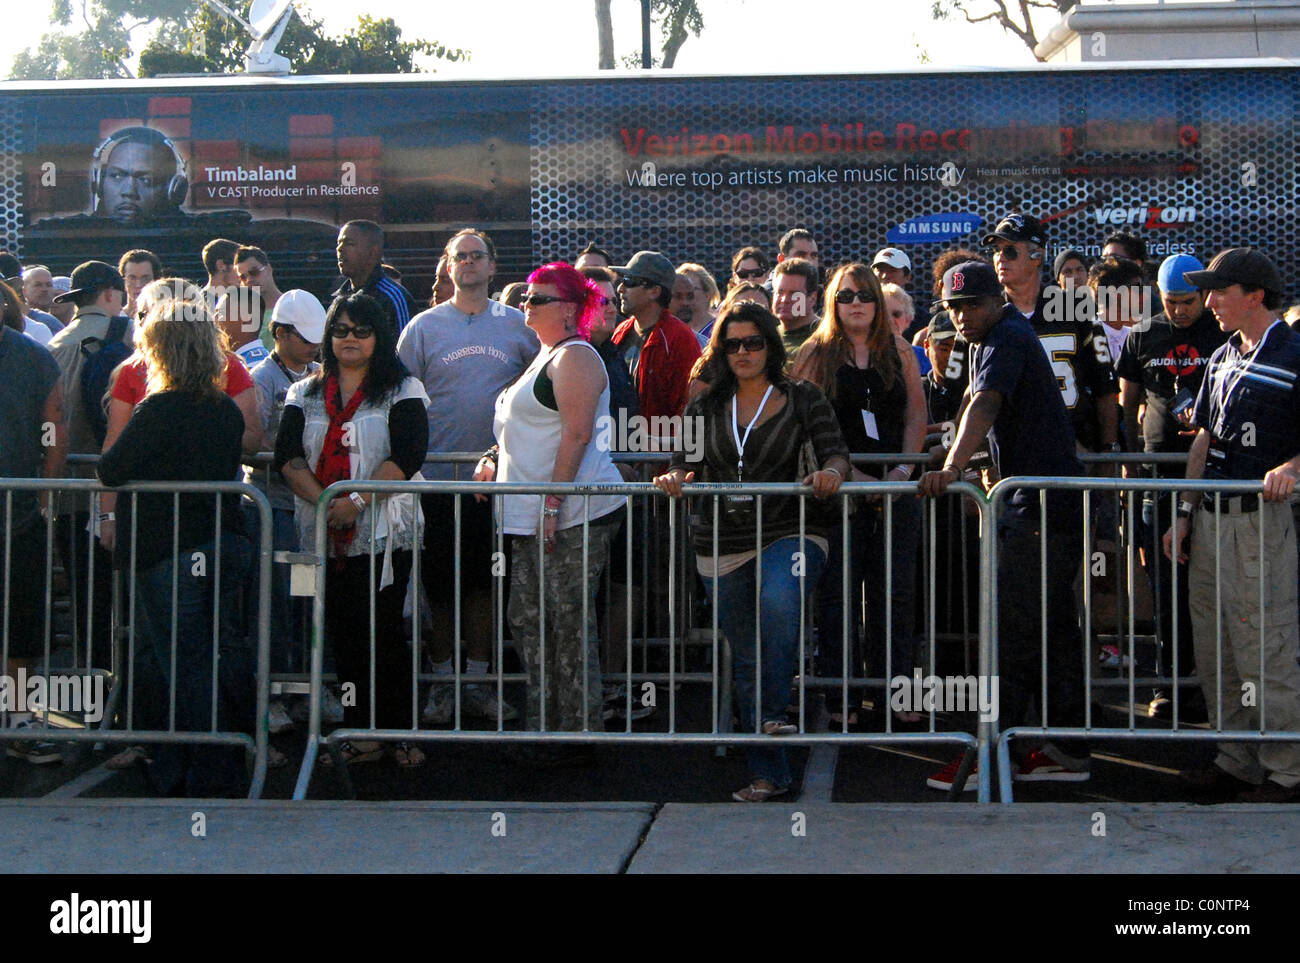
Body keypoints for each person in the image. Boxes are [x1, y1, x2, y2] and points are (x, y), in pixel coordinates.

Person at [656, 300, 849, 802]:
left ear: (770, 345)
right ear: (720, 349)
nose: (743, 352)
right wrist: (676, 476)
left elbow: (836, 452)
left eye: (754, 342)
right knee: (744, 656)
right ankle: (770, 772)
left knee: (780, 602)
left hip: (791, 530)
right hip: (721, 542)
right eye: (732, 343)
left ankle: (774, 714)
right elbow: (684, 461)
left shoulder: (803, 397)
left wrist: (830, 473)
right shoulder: (705, 404)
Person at [919, 260, 1091, 791]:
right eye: (953, 307)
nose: (963, 316)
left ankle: (997, 755)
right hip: (1042, 505)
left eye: (972, 304)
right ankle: (1064, 749)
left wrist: (951, 466)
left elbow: (985, 402)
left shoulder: (1006, 336)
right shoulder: (993, 338)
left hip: (1035, 511)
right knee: (1054, 632)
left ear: (997, 301)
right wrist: (976, 463)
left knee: (1013, 636)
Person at [97, 300, 253, 796]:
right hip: (224, 543)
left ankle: (204, 772)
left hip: (172, 551)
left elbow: (111, 469)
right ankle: (226, 761)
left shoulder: (159, 407)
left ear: (159, 351)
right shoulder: (225, 408)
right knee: (216, 655)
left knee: (183, 665)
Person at [1163, 247, 1300, 803]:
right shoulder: (1221, 356)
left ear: (1256, 296)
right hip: (1214, 520)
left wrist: (1293, 467)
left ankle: (1289, 769)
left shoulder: (1295, 355)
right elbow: (1205, 439)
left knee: (1265, 646)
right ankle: (1236, 758)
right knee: (1217, 647)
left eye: (1221, 290)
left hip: (1261, 523)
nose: (1210, 301)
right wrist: (1185, 513)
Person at [473, 263, 626, 757]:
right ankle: (546, 727)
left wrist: (553, 503)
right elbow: (525, 428)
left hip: (573, 514)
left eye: (536, 299)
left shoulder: (577, 357)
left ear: (566, 308)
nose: (525, 304)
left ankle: (577, 735)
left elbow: (578, 434)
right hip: (532, 514)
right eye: (525, 297)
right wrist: (492, 458)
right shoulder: (546, 356)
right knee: (530, 618)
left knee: (566, 622)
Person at [276, 293, 429, 768]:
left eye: (361, 330)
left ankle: (400, 731)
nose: (350, 338)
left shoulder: (402, 389)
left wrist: (356, 501)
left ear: (379, 336)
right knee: (342, 633)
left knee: (383, 629)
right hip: (323, 528)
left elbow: (407, 455)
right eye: (340, 329)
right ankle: (359, 727)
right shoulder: (303, 392)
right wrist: (326, 503)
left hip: (383, 530)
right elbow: (288, 457)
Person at [398, 227, 538, 725]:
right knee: (439, 586)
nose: (470, 264)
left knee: (483, 585)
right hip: (435, 481)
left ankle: (478, 680)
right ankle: (441, 682)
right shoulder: (422, 327)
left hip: (493, 484)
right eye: (461, 257)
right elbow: (400, 400)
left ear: (493, 266)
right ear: (448, 266)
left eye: (478, 256)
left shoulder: (520, 327)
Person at [792, 263, 926, 727]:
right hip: (837, 492)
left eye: (864, 295)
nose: (856, 304)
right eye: (846, 296)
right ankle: (841, 696)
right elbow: (802, 425)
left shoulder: (900, 352)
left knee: (896, 595)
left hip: (896, 492)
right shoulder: (815, 352)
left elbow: (915, 418)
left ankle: (899, 693)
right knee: (838, 598)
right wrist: (853, 477)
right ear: (832, 302)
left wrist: (904, 471)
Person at [1118, 253, 1224, 721]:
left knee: (1217, 586)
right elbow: (1126, 406)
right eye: (1170, 301)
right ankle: (1170, 682)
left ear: (1203, 295)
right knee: (1166, 586)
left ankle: (1215, 686)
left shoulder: (1222, 333)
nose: (1179, 310)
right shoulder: (1144, 335)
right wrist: (1126, 465)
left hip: (1214, 477)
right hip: (1159, 479)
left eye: (1187, 301)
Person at [44, 260, 131, 668]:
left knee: (85, 600)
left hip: (65, 489)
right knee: (124, 601)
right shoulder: (126, 336)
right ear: (111, 294)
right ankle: (124, 696)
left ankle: (90, 694)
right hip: (116, 488)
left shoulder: (53, 343)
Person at [246, 290, 325, 732]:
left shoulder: (319, 375)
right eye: (305, 338)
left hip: (308, 507)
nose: (314, 346)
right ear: (280, 333)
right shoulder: (261, 380)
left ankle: (312, 685)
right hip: (274, 506)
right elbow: (252, 445)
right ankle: (273, 693)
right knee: (274, 601)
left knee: (309, 597)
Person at [0, 286, 68, 765]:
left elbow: (55, 429)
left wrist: (45, 495)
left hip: (20, 514)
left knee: (22, 623)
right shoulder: (34, 354)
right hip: (22, 510)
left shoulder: (33, 356)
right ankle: (18, 723)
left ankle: (19, 722)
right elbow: (55, 430)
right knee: (20, 622)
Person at [333, 220, 417, 333]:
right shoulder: (338, 298)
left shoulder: (393, 298)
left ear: (374, 251)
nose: (340, 249)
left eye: (349, 243)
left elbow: (405, 348)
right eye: (339, 243)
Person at [235, 245, 284, 353]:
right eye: (243, 277)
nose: (249, 280)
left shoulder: (290, 305)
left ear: (269, 270)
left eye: (254, 272)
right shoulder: (241, 316)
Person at [771, 257, 820, 358]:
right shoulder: (767, 336)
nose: (785, 300)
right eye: (780, 292)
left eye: (794, 294)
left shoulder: (827, 337)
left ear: (812, 298)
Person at [670, 263, 720, 345]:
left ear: (708, 294)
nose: (685, 293)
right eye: (678, 291)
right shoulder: (671, 329)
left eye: (692, 289)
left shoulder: (719, 328)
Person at [117, 249, 161, 319]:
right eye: (132, 278)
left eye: (145, 278)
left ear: (156, 280)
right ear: (123, 280)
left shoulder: (164, 319)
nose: (139, 285)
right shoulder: (113, 320)